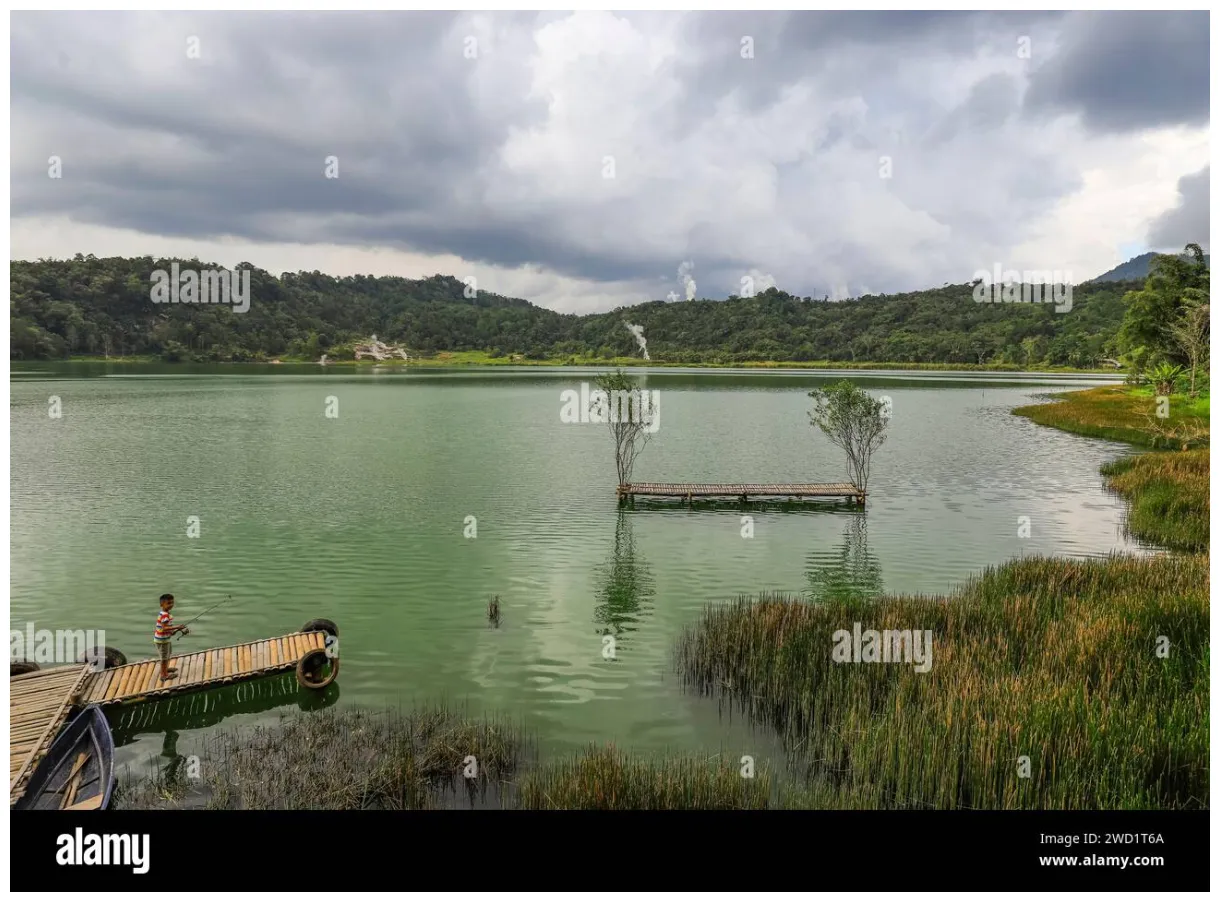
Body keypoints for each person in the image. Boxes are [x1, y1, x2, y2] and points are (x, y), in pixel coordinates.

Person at [154, 593, 189, 681]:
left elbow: (165, 629)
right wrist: (178, 627)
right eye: (169, 603)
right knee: (164, 658)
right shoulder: (165, 615)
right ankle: (164, 675)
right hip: (162, 641)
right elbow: (164, 628)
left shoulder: (165, 613)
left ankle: (165, 669)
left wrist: (172, 632)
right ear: (162, 604)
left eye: (172, 603)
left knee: (167, 656)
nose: (171, 605)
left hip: (165, 639)